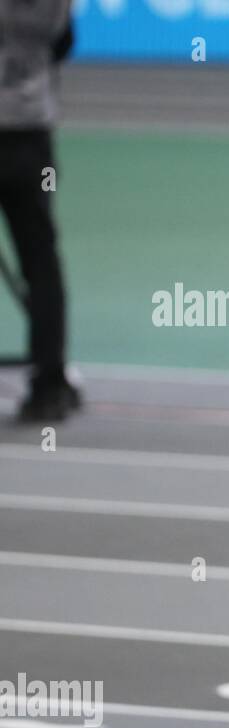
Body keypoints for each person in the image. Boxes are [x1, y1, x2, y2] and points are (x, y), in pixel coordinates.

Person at [0, 0, 80, 422]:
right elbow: (64, 43)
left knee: (41, 261)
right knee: (41, 261)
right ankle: (50, 383)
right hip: (31, 140)